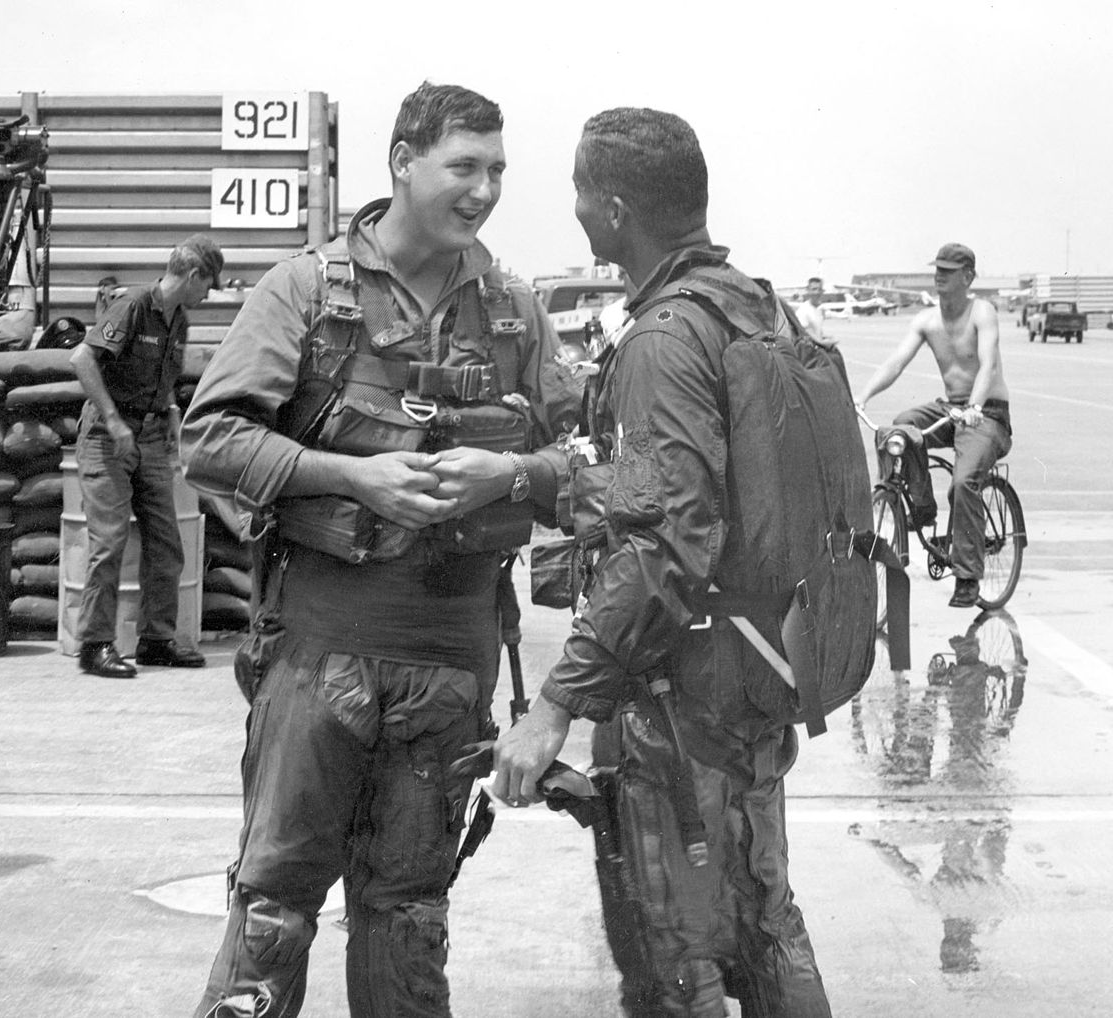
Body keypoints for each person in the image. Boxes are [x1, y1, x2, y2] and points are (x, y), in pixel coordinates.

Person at [180, 82, 580, 1018]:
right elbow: (211, 440)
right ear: (403, 161)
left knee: (408, 920)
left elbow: (591, 459)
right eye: (463, 166)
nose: (483, 190)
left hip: (450, 665)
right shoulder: (308, 292)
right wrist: (351, 477)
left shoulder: (516, 311)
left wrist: (510, 475)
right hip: (319, 653)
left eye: (497, 170)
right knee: (274, 907)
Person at [493, 107, 832, 1018]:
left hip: (683, 704)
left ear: (609, 211)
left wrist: (556, 705)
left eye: (575, 194)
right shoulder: (757, 308)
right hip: (761, 672)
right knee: (766, 922)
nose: (573, 212)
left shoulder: (660, 341)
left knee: (676, 954)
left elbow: (661, 543)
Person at [69, 233, 223, 678]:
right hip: (107, 436)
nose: (208, 295)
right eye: (207, 284)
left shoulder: (179, 321)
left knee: (167, 543)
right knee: (109, 542)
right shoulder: (134, 305)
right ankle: (94, 645)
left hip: (152, 436)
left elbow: (165, 375)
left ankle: (157, 640)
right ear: (194, 275)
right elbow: (82, 359)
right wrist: (115, 422)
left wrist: (173, 409)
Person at [855, 243, 1012, 608]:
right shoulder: (927, 320)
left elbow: (987, 364)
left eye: (948, 270)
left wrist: (974, 406)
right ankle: (922, 508)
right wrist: (861, 397)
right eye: (937, 269)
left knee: (963, 482)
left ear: (968, 277)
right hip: (951, 408)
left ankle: (968, 577)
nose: (939, 275)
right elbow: (894, 364)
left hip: (987, 413)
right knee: (901, 428)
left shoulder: (982, 312)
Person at [795, 275, 833, 348]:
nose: (817, 292)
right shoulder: (803, 310)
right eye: (814, 289)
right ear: (808, 290)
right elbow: (807, 332)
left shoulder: (821, 309)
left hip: (817, 346)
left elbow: (816, 331)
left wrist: (825, 337)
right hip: (807, 350)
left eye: (819, 289)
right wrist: (821, 342)